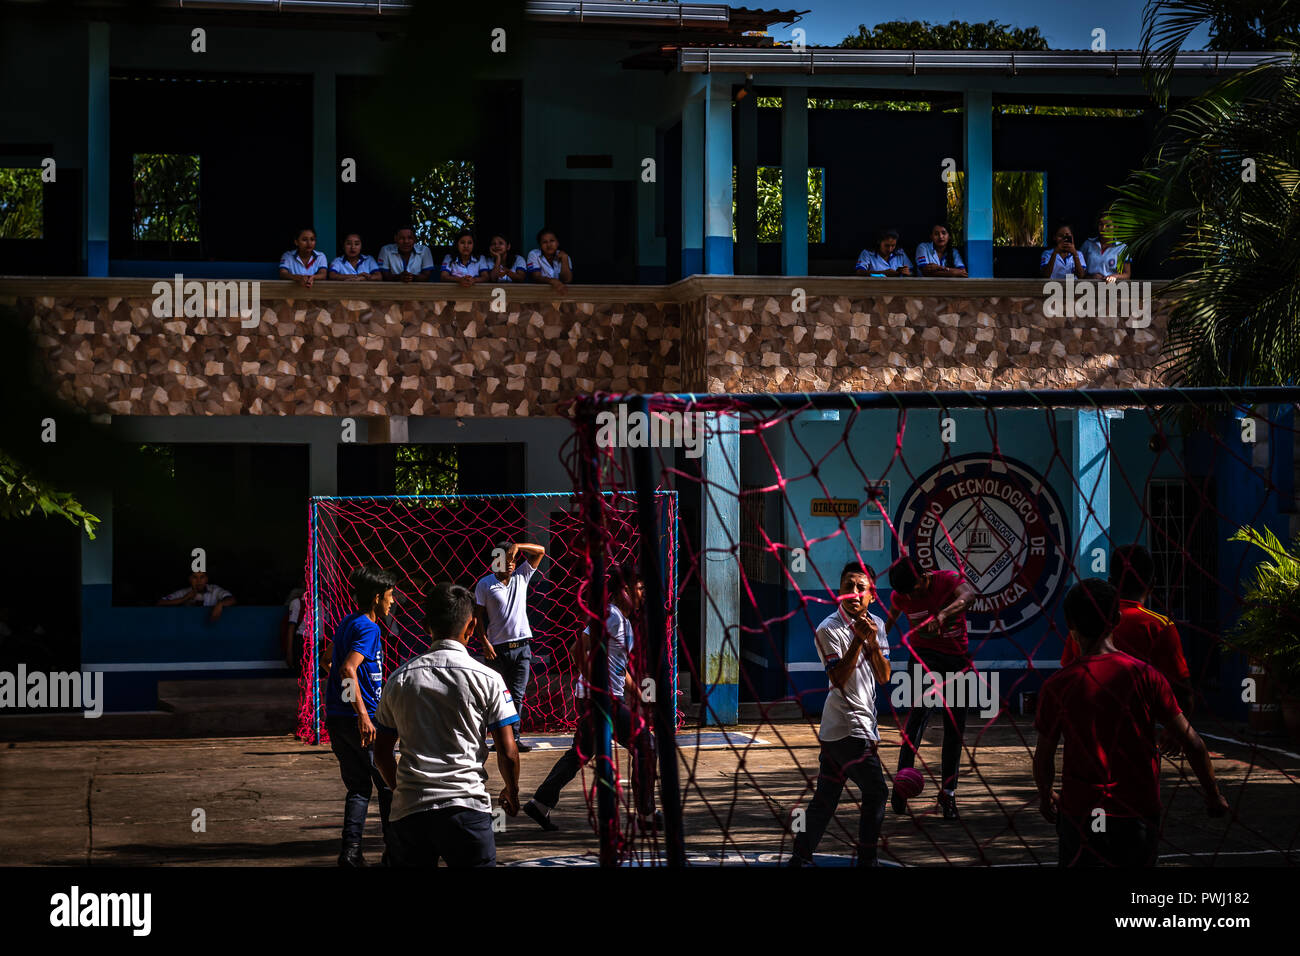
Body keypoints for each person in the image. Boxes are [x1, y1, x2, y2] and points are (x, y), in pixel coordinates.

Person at [1034, 578, 1228, 867]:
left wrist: (1045, 794)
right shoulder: (1145, 676)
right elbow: (1194, 744)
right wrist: (1214, 796)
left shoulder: (1058, 685)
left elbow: (1044, 755)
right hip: (1136, 813)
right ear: (1116, 619)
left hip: (1081, 813)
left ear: (1069, 624)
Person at [373, 583, 521, 868]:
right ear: (472, 627)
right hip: (467, 810)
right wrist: (511, 791)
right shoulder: (488, 679)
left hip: (410, 814)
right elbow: (508, 750)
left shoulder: (399, 679)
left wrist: (402, 789)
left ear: (427, 626)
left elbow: (381, 754)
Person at [522, 564, 656, 833]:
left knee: (581, 753)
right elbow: (576, 649)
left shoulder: (624, 621)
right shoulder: (611, 616)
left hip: (602, 698)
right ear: (624, 591)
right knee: (646, 744)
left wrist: (638, 694)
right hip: (599, 700)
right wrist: (597, 688)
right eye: (640, 589)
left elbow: (618, 667)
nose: (643, 594)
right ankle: (646, 815)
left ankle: (539, 803)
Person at [789, 562, 892, 866]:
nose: (855, 592)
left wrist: (871, 640)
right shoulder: (827, 629)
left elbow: (884, 676)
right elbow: (838, 678)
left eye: (862, 588)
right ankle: (867, 859)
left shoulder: (878, 624)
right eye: (849, 586)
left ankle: (800, 854)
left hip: (850, 727)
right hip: (848, 726)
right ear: (839, 593)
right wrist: (859, 640)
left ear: (872, 595)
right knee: (877, 792)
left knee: (825, 799)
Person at [1061, 544, 1193, 750]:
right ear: (1153, 585)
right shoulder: (1160, 626)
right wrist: (1177, 732)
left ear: (1111, 582)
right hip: (1137, 740)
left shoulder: (1086, 620)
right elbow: (1183, 690)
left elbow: (1067, 678)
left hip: (1089, 740)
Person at [884, 557, 977, 818]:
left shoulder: (947, 580)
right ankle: (902, 785)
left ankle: (948, 794)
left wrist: (944, 614)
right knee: (917, 720)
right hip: (923, 656)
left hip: (956, 659)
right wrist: (876, 646)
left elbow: (969, 596)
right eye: (907, 594)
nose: (912, 597)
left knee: (954, 728)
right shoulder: (901, 596)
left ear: (924, 576)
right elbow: (888, 623)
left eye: (915, 589)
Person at [323, 563, 397, 867]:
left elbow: (329, 659)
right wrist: (363, 714)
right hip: (359, 720)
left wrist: (344, 697)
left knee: (358, 788)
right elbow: (346, 668)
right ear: (378, 597)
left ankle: (350, 852)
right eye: (391, 596)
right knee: (390, 785)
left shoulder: (348, 622)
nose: (393, 602)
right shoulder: (369, 626)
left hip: (338, 717)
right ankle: (395, 851)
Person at [474, 540, 547, 752]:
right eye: (505, 559)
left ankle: (512, 739)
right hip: (497, 649)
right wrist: (484, 642)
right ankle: (491, 737)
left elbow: (540, 551)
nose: (510, 564)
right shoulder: (485, 584)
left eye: (513, 559)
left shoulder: (521, 577)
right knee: (495, 696)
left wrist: (518, 546)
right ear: (496, 561)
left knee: (517, 696)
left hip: (522, 647)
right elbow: (478, 616)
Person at [157, 571, 235, 623]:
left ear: (206, 579)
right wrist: (184, 598)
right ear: (190, 579)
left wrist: (220, 604)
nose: (199, 581)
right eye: (195, 577)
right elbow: (161, 602)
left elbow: (231, 599)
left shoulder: (214, 589)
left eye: (202, 577)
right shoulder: (184, 592)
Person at [1082, 212, 1131, 282]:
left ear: (1115, 227)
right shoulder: (1088, 244)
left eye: (1108, 226)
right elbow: (1078, 269)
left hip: (1112, 289)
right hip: (1088, 287)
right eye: (1101, 224)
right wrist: (1090, 277)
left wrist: (1114, 276)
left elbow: (1127, 274)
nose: (1103, 229)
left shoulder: (1122, 248)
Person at [526, 227, 573, 292]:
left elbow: (567, 280)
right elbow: (536, 277)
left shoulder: (564, 256)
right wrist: (552, 281)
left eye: (552, 241)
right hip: (538, 293)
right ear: (540, 245)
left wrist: (564, 259)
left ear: (557, 243)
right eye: (544, 242)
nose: (549, 245)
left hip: (560, 294)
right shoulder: (534, 254)